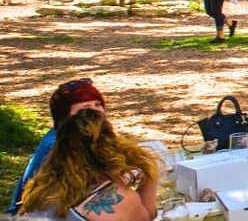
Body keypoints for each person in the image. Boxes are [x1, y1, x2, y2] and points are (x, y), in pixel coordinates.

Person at [19, 108, 158, 221]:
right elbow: (147, 216)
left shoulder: (41, 188)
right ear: (112, 146)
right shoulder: (119, 200)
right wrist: (150, 175)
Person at [8, 78, 108, 215]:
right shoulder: (59, 145)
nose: (96, 112)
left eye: (98, 105)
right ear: (65, 116)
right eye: (85, 109)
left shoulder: (82, 135)